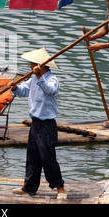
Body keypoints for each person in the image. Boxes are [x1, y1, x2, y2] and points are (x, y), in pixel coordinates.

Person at [8, 48, 66, 199]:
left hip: (46, 125)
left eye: (32, 64)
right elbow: (24, 91)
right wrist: (15, 87)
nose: (30, 67)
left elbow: (50, 90)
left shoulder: (52, 79)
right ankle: (29, 187)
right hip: (35, 124)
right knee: (32, 156)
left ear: (40, 65)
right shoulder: (33, 78)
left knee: (47, 157)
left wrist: (39, 75)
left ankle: (60, 188)